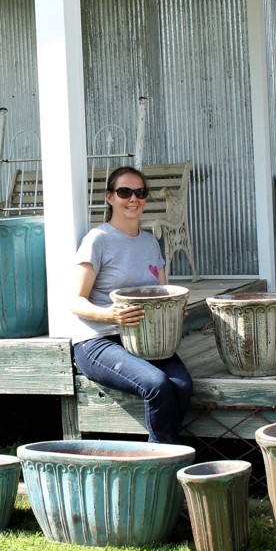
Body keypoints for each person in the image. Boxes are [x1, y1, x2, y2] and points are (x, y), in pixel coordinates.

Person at [69, 166, 193, 444]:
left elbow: (163, 292)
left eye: (140, 192)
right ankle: (162, 463)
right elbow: (75, 301)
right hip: (98, 341)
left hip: (145, 340)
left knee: (182, 386)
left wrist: (175, 308)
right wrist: (110, 314)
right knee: (157, 385)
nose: (133, 199)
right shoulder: (97, 240)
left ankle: (159, 455)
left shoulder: (150, 242)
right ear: (110, 197)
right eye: (125, 192)